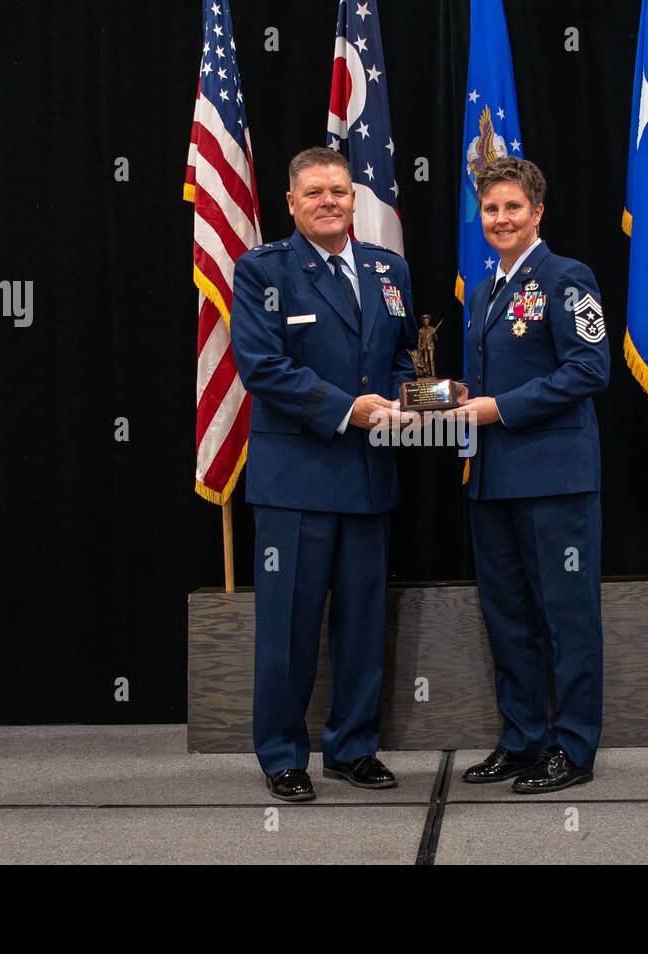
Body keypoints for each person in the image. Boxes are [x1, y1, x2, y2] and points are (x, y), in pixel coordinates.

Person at [230, 147, 417, 802]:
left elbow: (402, 356)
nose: (329, 201)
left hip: (368, 475)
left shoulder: (388, 269)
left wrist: (405, 398)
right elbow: (263, 368)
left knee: (363, 624)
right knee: (288, 627)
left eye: (338, 189)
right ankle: (283, 754)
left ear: (353, 196)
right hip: (297, 478)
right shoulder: (262, 272)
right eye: (314, 192)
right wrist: (349, 411)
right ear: (291, 202)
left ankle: (352, 747)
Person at [457, 156, 609, 793]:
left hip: (553, 479)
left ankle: (572, 749)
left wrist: (499, 408)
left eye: (512, 207)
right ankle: (522, 740)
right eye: (491, 209)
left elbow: (589, 369)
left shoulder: (568, 278)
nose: (500, 219)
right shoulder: (487, 285)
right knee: (508, 615)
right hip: (492, 479)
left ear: (537, 212)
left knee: (565, 616)